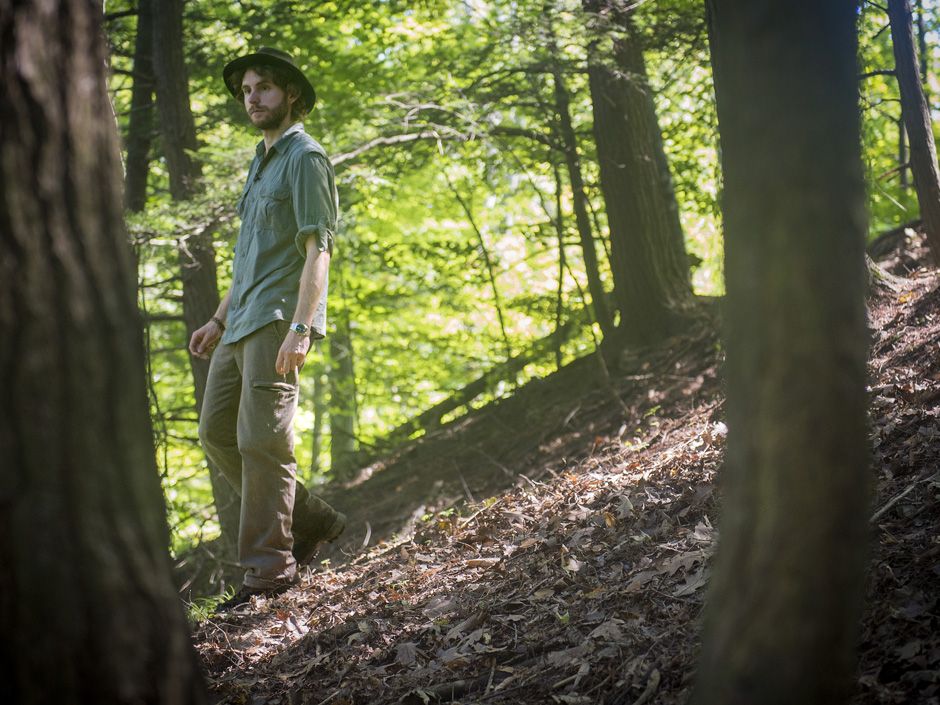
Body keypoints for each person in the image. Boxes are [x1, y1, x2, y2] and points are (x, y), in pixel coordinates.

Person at [189, 47, 345, 612]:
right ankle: (314, 519)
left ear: (291, 94)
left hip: (280, 318)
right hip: (240, 320)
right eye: (246, 90)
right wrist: (216, 317)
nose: (252, 98)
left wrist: (303, 327)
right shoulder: (262, 161)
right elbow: (250, 256)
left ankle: (269, 573)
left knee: (263, 442)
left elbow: (318, 252)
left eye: (264, 88)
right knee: (216, 434)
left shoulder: (306, 158)